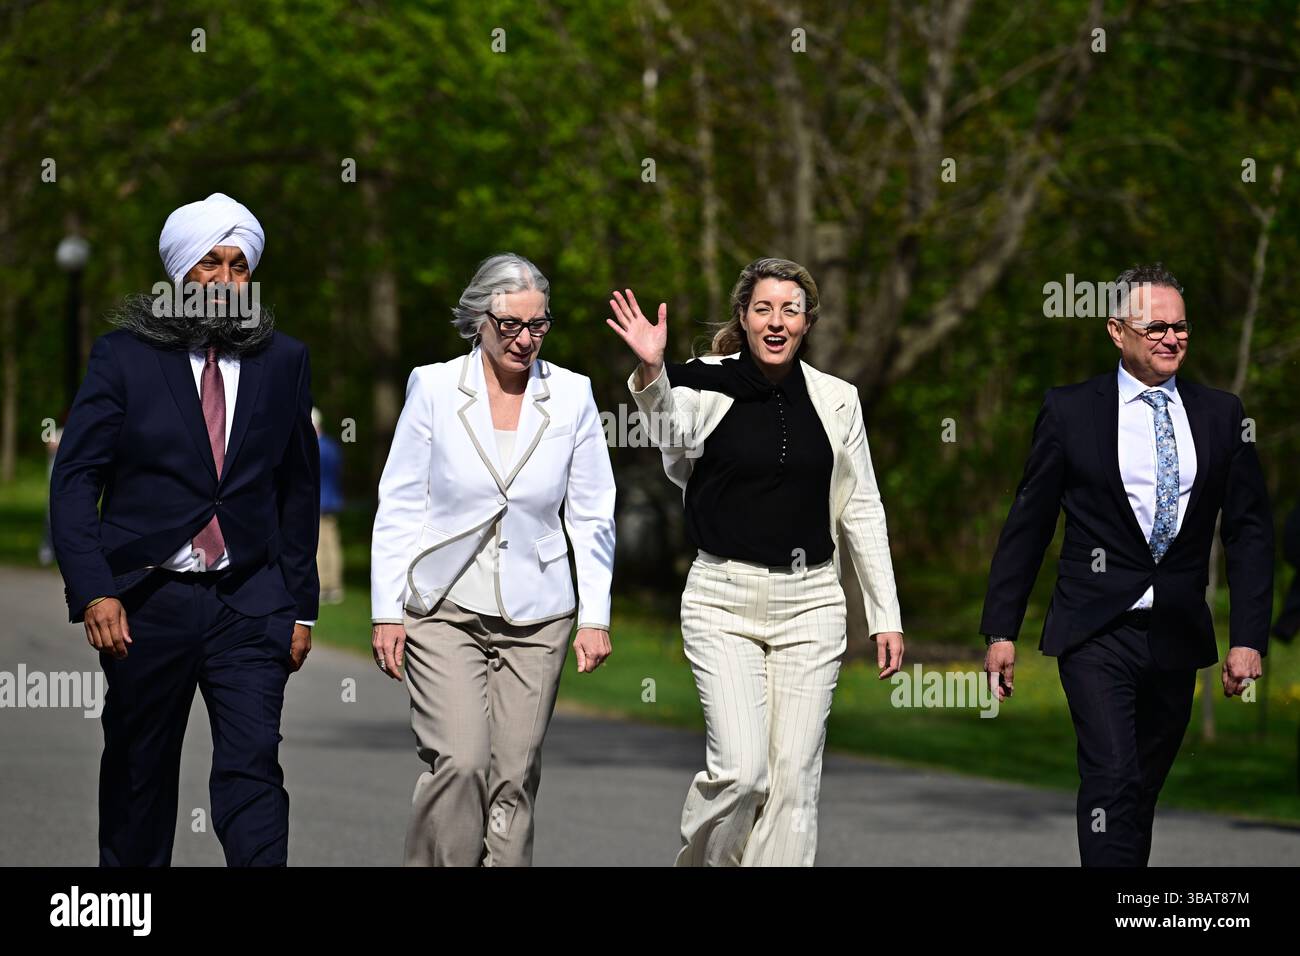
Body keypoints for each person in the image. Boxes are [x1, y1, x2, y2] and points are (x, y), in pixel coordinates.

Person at [50, 192, 320, 866]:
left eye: (238, 266)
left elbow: (297, 487)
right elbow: (76, 480)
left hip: (250, 601)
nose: (226, 282)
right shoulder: (123, 358)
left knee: (252, 772)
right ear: (179, 275)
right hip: (145, 602)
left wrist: (300, 605)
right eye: (209, 265)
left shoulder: (283, 361)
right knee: (139, 777)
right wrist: (95, 591)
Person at [608, 257, 905, 866]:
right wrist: (650, 368)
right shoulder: (700, 382)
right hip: (723, 599)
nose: (777, 322)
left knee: (794, 784)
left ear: (807, 322)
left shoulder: (837, 400)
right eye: (763, 309)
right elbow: (670, 431)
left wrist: (885, 615)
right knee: (743, 773)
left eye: (790, 310)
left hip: (813, 603)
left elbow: (863, 509)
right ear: (742, 318)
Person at [980, 264, 1273, 866]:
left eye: (1181, 328)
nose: (1171, 339)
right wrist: (1001, 629)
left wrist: (1247, 638)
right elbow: (1029, 523)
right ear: (1118, 331)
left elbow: (1247, 532)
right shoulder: (1069, 411)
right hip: (1095, 630)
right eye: (1156, 327)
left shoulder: (1221, 414)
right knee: (1112, 781)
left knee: (1141, 789)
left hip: (1175, 631)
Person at [371, 252, 616, 866]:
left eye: (537, 325)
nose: (524, 339)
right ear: (478, 318)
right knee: (460, 762)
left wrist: (595, 616)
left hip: (540, 615)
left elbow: (591, 514)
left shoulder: (574, 395)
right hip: (444, 605)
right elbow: (400, 502)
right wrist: (385, 610)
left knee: (514, 777)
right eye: (510, 324)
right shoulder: (431, 387)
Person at [313, 407, 345, 604]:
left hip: (317, 502)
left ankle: (322, 585)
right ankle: (335, 585)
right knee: (332, 544)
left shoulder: (312, 447)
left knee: (317, 545)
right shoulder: (333, 446)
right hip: (332, 500)